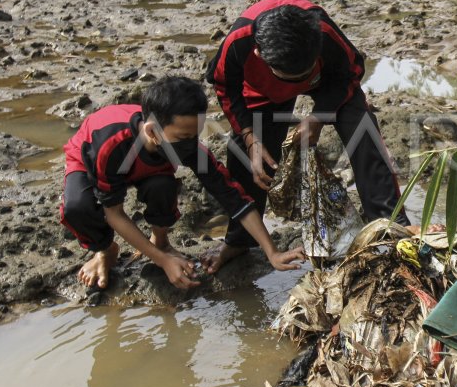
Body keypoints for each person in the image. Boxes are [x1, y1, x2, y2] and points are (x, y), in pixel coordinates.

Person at [205, 0, 410, 270]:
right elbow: (224, 86)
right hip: (264, 91)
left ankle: (391, 224)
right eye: (291, 78)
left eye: (302, 74)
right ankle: (239, 241)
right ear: (259, 54)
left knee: (362, 128)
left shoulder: (322, 31)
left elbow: (352, 71)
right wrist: (250, 137)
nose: (296, 85)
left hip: (327, 81)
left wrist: (319, 115)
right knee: (246, 154)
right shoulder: (239, 42)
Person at [60, 75, 304, 290]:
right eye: (183, 137)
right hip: (90, 161)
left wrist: (272, 252)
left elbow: (234, 197)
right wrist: (163, 262)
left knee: (162, 187)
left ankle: (162, 242)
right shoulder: (110, 145)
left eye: (195, 135)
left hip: (149, 167)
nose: (190, 143)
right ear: (152, 131)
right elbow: (114, 214)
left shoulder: (186, 147)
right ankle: (104, 250)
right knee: (77, 207)